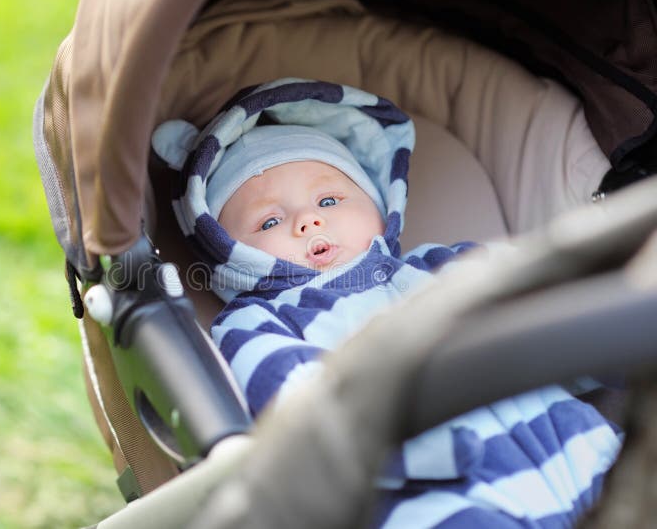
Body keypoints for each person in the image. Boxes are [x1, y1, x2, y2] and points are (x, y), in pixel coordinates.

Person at [152, 78, 621, 528]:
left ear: (379, 206)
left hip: (583, 453)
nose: (308, 221)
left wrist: (619, 342)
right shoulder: (257, 322)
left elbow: (544, 317)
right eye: (269, 222)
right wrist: (411, 445)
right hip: (434, 495)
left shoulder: (443, 266)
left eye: (329, 201)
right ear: (227, 253)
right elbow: (297, 407)